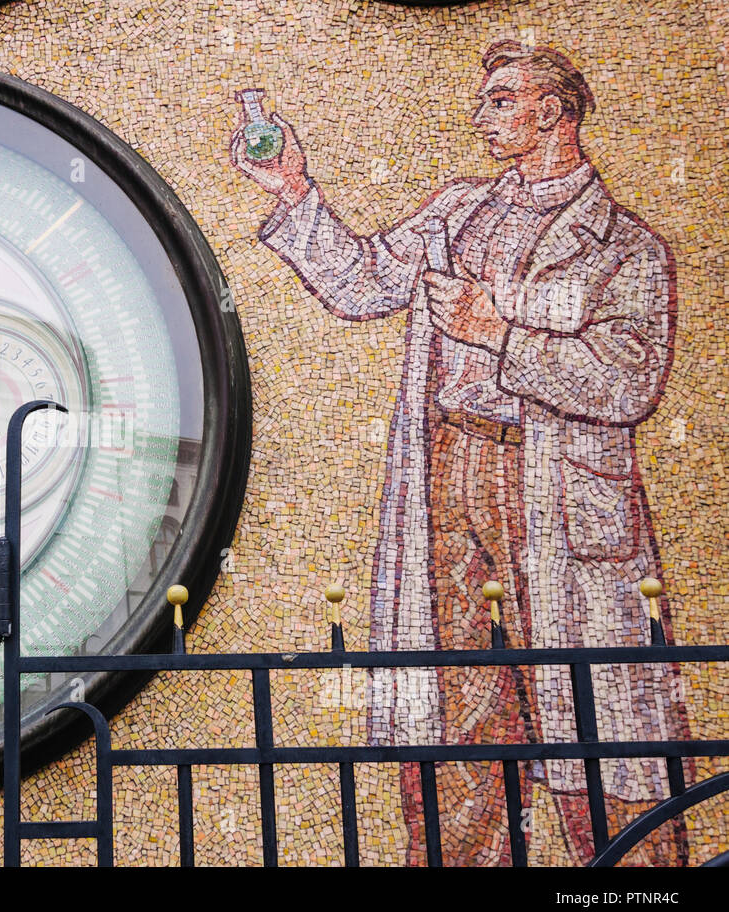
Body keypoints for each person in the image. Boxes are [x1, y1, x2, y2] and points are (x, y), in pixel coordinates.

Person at [233, 40, 691, 865]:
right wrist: (293, 190)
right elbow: (366, 281)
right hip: (448, 472)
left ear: (554, 111)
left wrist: (498, 334)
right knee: (456, 703)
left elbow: (627, 384)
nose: (480, 117)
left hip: (553, 487)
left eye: (501, 101)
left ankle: (638, 901)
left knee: (593, 713)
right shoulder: (458, 211)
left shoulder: (626, 247)